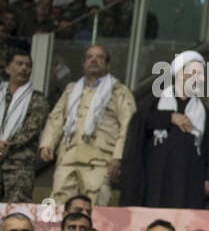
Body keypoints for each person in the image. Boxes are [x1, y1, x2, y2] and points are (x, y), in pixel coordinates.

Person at [121, 50, 209, 209]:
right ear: (181, 74)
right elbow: (139, 123)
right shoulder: (155, 102)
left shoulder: (203, 112)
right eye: (196, 73)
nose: (201, 79)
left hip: (189, 181)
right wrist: (169, 117)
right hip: (156, 178)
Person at [38, 45, 136, 205]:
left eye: (99, 57)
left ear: (108, 65)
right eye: (90, 57)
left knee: (96, 210)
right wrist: (47, 144)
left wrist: (118, 158)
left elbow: (129, 126)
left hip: (101, 161)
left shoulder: (119, 91)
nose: (94, 60)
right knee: (60, 207)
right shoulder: (71, 90)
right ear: (83, 63)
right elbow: (56, 119)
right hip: (68, 158)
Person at [0, 49, 49, 204]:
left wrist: (4, 146)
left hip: (19, 166)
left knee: (15, 211)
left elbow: (31, 129)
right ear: (8, 68)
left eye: (28, 65)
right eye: (19, 64)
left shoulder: (37, 98)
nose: (24, 68)